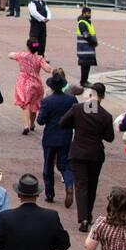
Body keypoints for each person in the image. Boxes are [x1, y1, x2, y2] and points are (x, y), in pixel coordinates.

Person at [62, 83, 116, 232]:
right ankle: (88, 214)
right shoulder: (105, 115)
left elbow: (63, 122)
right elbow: (109, 137)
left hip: (78, 151)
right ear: (102, 96)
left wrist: (77, 126)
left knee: (81, 186)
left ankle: (83, 218)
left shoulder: (77, 109)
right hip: (95, 153)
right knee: (92, 185)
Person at [37, 76, 77, 207]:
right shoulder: (71, 99)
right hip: (65, 136)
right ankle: (69, 184)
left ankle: (49, 193)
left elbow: (40, 120)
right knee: (65, 164)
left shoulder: (47, 101)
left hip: (50, 136)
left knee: (48, 165)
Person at [9, 40, 51, 134]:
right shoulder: (39, 58)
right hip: (36, 82)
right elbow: (48, 69)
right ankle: (32, 124)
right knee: (34, 104)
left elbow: (10, 55)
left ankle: (26, 125)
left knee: (25, 104)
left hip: (24, 81)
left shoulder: (22, 55)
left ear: (27, 47)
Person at [75, 6, 98, 87]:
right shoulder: (82, 23)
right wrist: (93, 42)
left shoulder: (87, 22)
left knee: (87, 65)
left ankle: (85, 80)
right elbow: (86, 35)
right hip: (84, 49)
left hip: (87, 49)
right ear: (84, 13)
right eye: (88, 13)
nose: (89, 15)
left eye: (90, 13)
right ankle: (83, 81)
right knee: (85, 66)